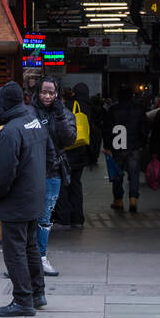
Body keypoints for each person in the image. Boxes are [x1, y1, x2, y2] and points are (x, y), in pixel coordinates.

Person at [0, 81, 48, 316]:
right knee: (31, 245)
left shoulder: (10, 132)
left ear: (5, 103)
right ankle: (37, 293)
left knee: (15, 251)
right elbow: (48, 156)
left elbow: (3, 174)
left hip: (16, 201)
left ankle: (23, 300)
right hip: (33, 196)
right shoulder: (33, 123)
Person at [29, 76, 76, 277]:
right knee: (27, 216)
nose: (47, 96)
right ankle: (23, 259)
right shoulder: (29, 112)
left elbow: (69, 139)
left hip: (53, 170)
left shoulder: (64, 113)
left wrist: (59, 116)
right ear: (37, 92)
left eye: (51, 92)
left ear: (57, 94)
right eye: (43, 92)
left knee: (45, 217)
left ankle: (40, 256)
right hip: (30, 171)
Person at [53, 82, 95, 229]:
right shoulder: (88, 108)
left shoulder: (66, 107)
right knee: (76, 184)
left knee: (64, 184)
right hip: (81, 152)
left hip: (67, 152)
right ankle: (78, 218)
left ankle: (64, 217)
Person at [106, 85, 148, 212]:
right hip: (134, 145)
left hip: (118, 144)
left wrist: (107, 146)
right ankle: (133, 199)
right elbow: (144, 128)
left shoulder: (113, 110)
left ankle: (118, 200)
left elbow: (107, 129)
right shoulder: (139, 109)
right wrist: (142, 143)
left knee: (117, 174)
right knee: (134, 174)